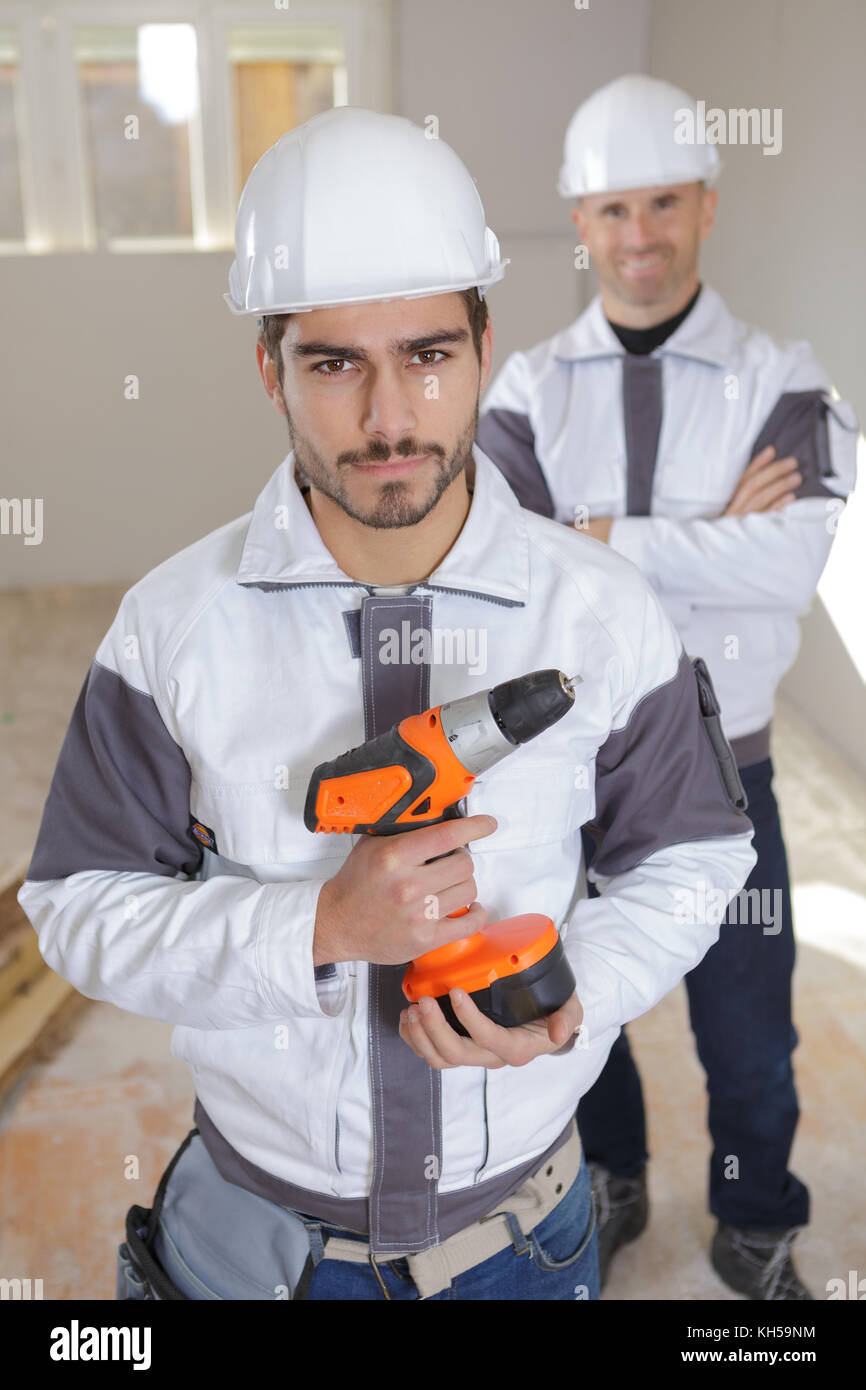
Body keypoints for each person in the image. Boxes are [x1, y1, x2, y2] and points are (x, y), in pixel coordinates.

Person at [18, 106, 755, 1302]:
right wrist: (315, 931)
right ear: (270, 369)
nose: (388, 420)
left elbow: (696, 853)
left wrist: (575, 992)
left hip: (520, 1235)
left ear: (479, 348)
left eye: (424, 355)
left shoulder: (601, 614)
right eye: (332, 364)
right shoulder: (172, 628)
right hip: (256, 1243)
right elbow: (78, 907)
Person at [476, 74, 859, 1300]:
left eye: (661, 204)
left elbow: (793, 560)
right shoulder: (528, 389)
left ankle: (755, 1218)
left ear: (705, 205)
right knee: (577, 997)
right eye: (609, 211)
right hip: (580, 762)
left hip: (727, 763)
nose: (636, 238)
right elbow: (507, 571)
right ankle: (616, 1173)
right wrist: (696, 533)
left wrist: (596, 533)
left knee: (745, 1024)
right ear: (577, 224)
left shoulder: (784, 380)